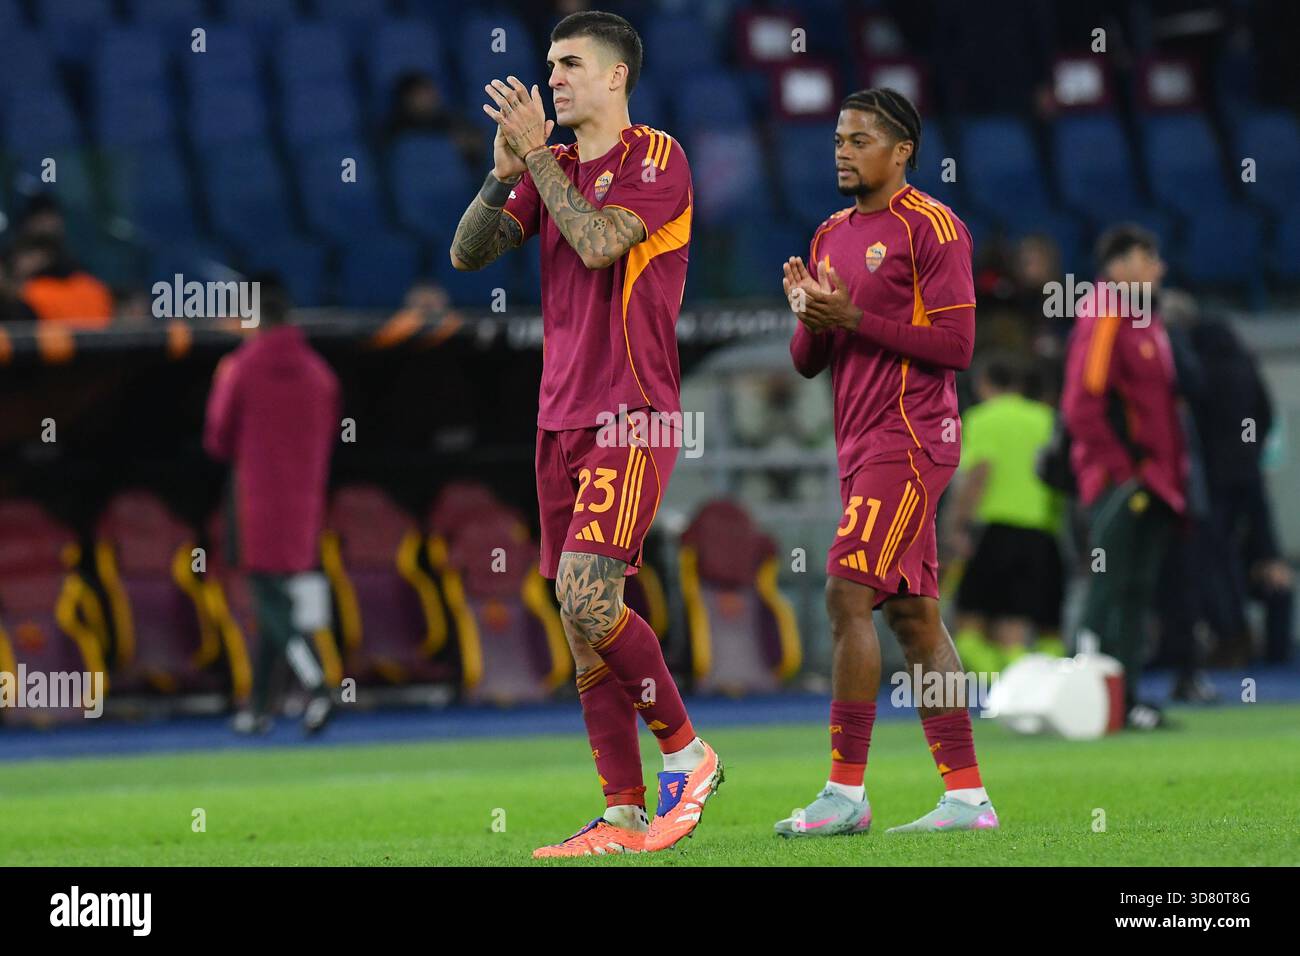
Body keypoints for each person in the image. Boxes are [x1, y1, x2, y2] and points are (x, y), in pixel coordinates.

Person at [448, 10, 720, 856]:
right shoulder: (553, 164)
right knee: (579, 620)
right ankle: (622, 811)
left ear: (616, 77)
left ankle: (689, 752)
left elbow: (601, 244)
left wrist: (532, 157)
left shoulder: (658, 157)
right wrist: (500, 178)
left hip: (629, 409)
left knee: (588, 596)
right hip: (558, 415)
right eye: (550, 65)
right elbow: (469, 254)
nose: (553, 78)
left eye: (570, 65)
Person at [778, 87, 998, 838]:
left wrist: (854, 319)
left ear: (901, 150)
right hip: (860, 442)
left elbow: (957, 349)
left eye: (860, 138)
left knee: (845, 596)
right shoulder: (830, 233)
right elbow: (811, 361)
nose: (843, 149)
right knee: (911, 614)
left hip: (912, 436)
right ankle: (967, 799)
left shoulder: (933, 228)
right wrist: (810, 316)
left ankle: (845, 793)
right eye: (839, 137)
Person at [1061, 225, 1188, 730]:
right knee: (1107, 591)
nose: (1158, 269)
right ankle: (1084, 703)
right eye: (1148, 258)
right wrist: (1122, 473)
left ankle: (1124, 703)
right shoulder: (1106, 313)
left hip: (1157, 482)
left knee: (1135, 592)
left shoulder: (1148, 320)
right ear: (1120, 265)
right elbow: (1082, 406)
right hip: (1123, 483)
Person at [203, 276, 340, 735]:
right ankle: (260, 709)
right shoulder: (321, 374)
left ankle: (319, 686)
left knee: (268, 602)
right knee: (277, 602)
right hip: (304, 502)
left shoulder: (239, 367)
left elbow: (217, 439)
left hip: (254, 500)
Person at [944, 352, 1066, 673]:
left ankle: (1002, 684)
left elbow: (978, 473)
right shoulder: (1046, 418)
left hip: (996, 531)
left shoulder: (983, 418)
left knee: (969, 623)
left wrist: (957, 525)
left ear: (984, 384)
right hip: (1043, 531)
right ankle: (1044, 681)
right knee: (1028, 625)